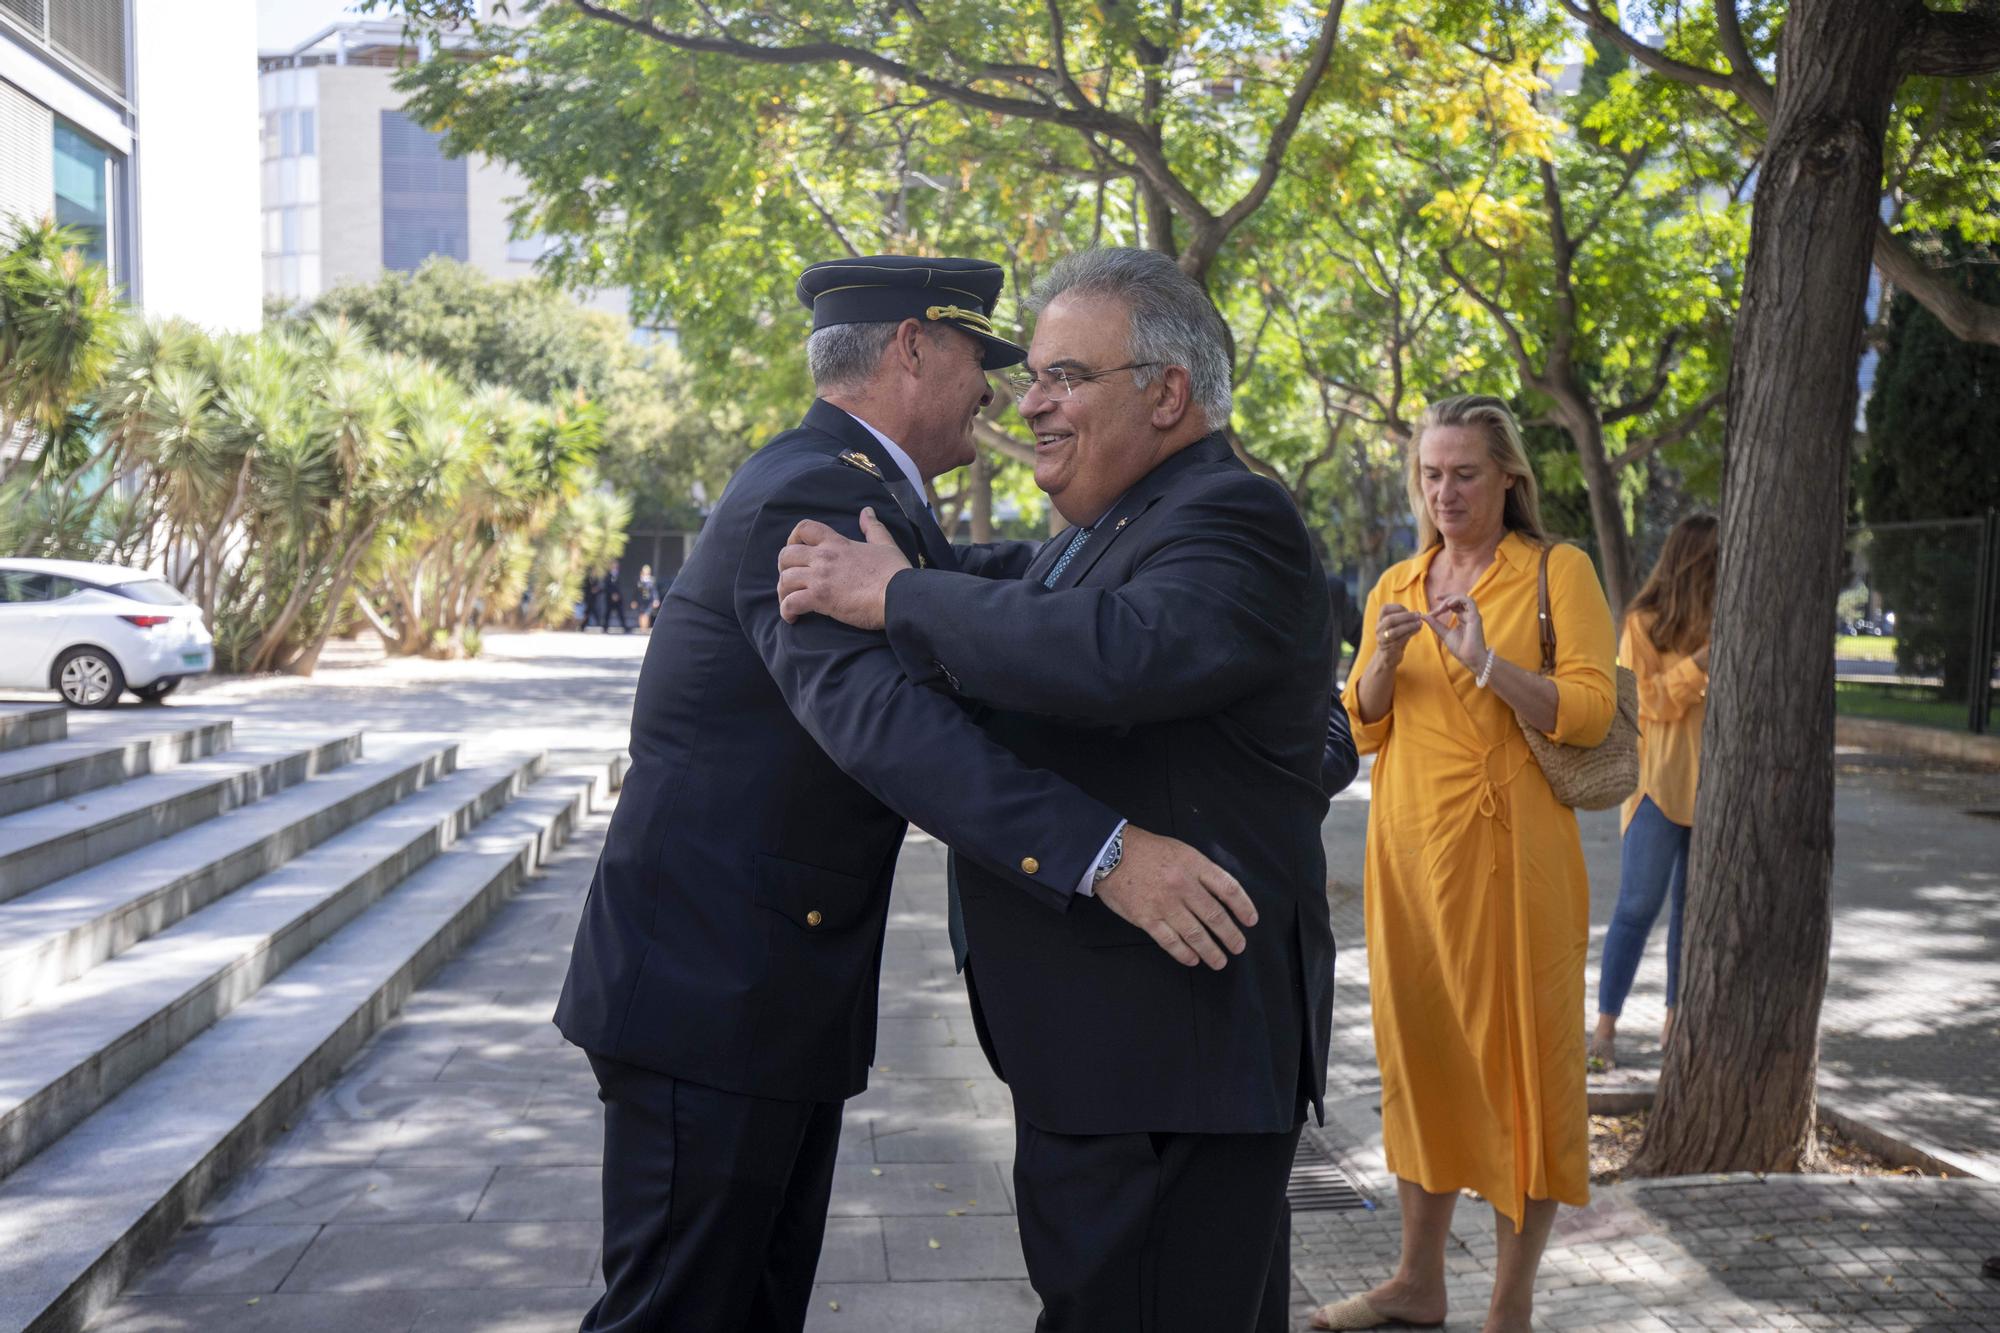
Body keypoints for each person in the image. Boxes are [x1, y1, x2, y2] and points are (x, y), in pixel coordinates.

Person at [554, 254, 1251, 1333]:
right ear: (913, 348)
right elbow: (883, 724)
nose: (999, 393)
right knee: (679, 1312)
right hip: (709, 992)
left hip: (756, 991)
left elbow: (982, 581)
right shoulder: (814, 494)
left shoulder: (856, 491)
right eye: (982, 358)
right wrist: (1102, 853)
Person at [778, 246, 1336, 1333]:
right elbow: (1031, 589)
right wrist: (910, 574)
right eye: (1031, 375)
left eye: (1064, 377)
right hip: (1120, 1063)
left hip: (1171, 1065)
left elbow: (1113, 648)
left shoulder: (1231, 515)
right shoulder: (1116, 524)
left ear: (1166, 393)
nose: (1027, 402)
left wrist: (898, 596)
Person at [1313, 394, 1616, 1333]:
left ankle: (1509, 1307)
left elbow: (1591, 712)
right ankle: (1417, 1281)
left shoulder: (1555, 570)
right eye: (1431, 474)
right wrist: (1377, 663)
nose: (1444, 492)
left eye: (1465, 473)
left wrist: (1488, 662)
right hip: (1408, 858)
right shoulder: (1397, 582)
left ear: (1509, 477)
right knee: (1422, 1063)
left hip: (1514, 861)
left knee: (1524, 1072)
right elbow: (1362, 727)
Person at [1590, 514, 1717, 1069]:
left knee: (1693, 915)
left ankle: (1675, 1025)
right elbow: (1645, 700)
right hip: (1656, 789)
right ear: (1697, 565)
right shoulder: (1642, 624)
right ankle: (1605, 1028)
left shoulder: (1729, 623)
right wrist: (1698, 666)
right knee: (1638, 905)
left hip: (1714, 794)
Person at [604, 560, 632, 633]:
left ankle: (625, 627)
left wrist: (618, 595)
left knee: (621, 613)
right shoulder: (608, 576)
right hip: (610, 598)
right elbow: (607, 586)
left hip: (618, 598)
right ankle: (605, 627)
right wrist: (612, 594)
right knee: (608, 613)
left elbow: (620, 586)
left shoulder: (619, 575)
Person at [635, 564, 658, 631]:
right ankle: (642, 628)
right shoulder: (639, 581)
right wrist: (634, 600)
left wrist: (656, 599)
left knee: (646, 615)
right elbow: (636, 591)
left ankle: (645, 628)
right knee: (641, 614)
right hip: (641, 600)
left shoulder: (651, 581)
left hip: (648, 600)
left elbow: (654, 591)